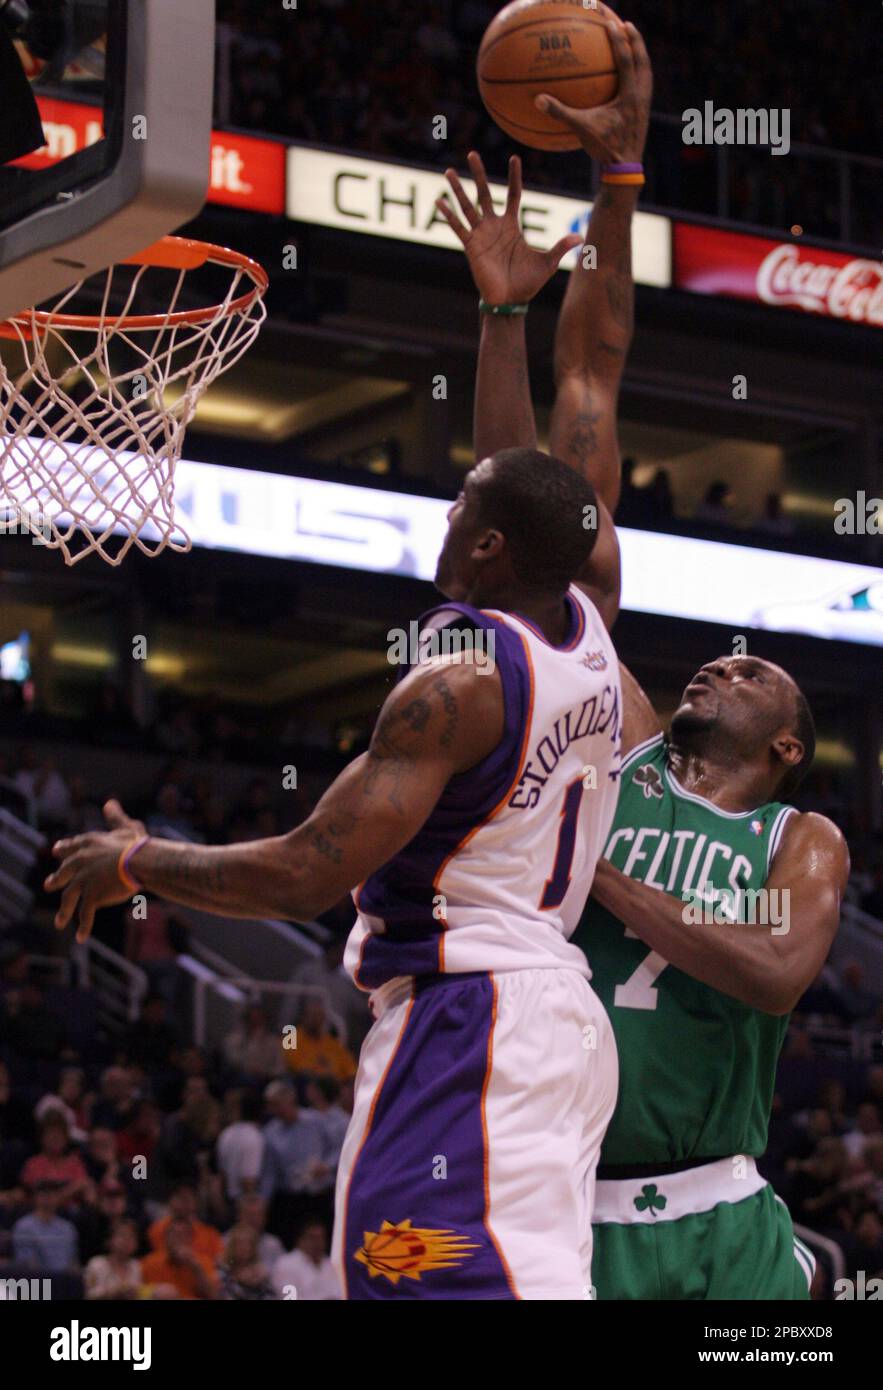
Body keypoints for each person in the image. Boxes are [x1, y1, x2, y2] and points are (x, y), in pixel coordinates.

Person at [46, 155, 626, 1297]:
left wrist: (137, 860)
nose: (448, 502)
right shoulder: (586, 628)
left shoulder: (454, 687)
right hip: (551, 1020)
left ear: (492, 546)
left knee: (418, 1285)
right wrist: (503, 312)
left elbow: (308, 873)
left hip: (469, 1017)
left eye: (461, 505)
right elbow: (521, 472)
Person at [475, 21, 848, 1301]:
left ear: (787, 746)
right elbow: (579, 404)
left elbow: (774, 968)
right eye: (720, 663)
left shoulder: (800, 839)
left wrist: (599, 871)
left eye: (757, 678)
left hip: (722, 1213)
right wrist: (602, 204)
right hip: (568, 1208)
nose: (722, 667)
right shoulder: (618, 737)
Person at [281, 997, 356, 1085]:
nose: (315, 1020)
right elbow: (290, 1063)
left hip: (334, 1085)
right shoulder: (291, 1035)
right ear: (304, 1016)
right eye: (312, 1015)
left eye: (319, 1016)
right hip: (306, 1082)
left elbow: (350, 1068)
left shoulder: (331, 1042)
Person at [141, 1215, 218, 1300]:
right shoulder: (149, 1262)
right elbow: (139, 1294)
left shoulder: (203, 1262)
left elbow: (213, 1296)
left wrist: (196, 1268)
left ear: (191, 1239)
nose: (179, 1240)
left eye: (183, 1235)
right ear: (166, 1238)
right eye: (175, 1235)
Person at [12, 1180, 79, 1271]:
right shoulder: (24, 1226)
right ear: (36, 1197)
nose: (48, 1198)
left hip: (65, 1281)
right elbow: (27, 1263)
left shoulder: (67, 1228)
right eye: (43, 1194)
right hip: (38, 1281)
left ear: (58, 1197)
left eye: (52, 1194)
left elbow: (73, 1261)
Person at [271, 1219, 340, 1301]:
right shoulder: (285, 1264)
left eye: (321, 1237)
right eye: (312, 1237)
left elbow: (339, 1293)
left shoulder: (331, 1264)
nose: (317, 1242)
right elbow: (289, 1298)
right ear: (300, 1239)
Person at [84, 1218, 142, 1299]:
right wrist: (113, 1292)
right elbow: (89, 1294)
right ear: (109, 1240)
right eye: (122, 1235)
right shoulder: (97, 1264)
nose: (127, 1240)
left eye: (132, 1236)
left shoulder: (137, 1265)